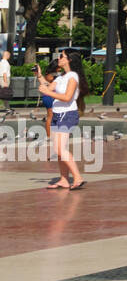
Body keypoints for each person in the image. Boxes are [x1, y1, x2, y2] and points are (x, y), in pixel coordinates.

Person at [38, 49, 87, 190]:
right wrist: (39, 76)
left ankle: (77, 177)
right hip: (57, 114)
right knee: (59, 150)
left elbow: (67, 97)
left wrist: (48, 92)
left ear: (69, 60)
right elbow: (48, 88)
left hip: (67, 114)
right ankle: (64, 179)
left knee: (59, 149)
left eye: (62, 56)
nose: (59, 58)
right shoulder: (61, 77)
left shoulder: (73, 77)